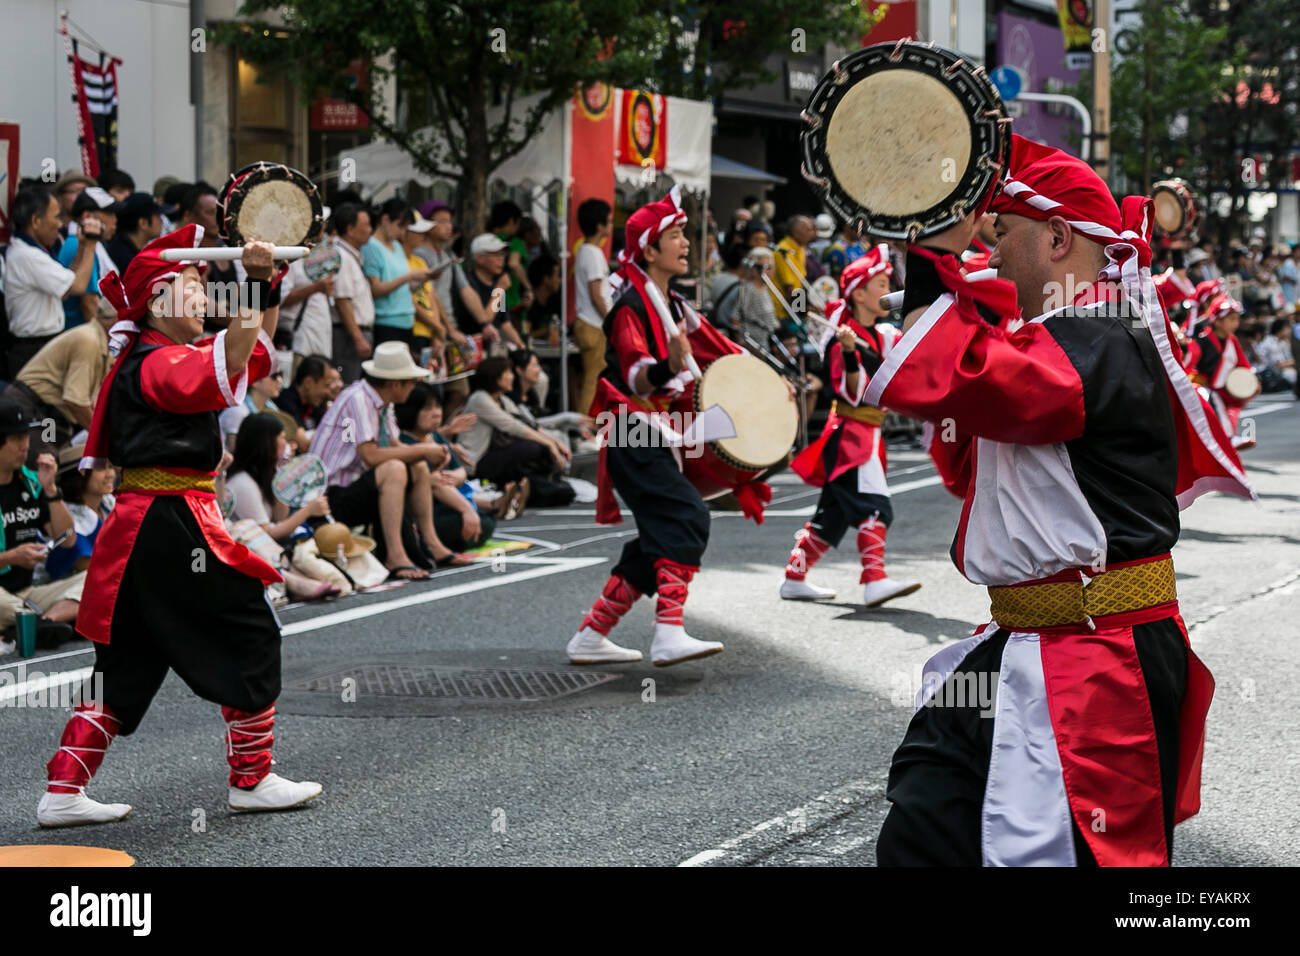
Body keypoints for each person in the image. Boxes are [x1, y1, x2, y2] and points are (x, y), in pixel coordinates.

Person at [867, 135, 1253, 866]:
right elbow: (967, 444)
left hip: (1098, 655)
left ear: (1055, 236)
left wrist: (931, 255)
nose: (990, 250)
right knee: (922, 819)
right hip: (1021, 642)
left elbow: (968, 379)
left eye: (1001, 231)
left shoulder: (1102, 332)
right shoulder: (1052, 338)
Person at [37, 224, 323, 827]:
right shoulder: (154, 363)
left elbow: (255, 348)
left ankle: (62, 791)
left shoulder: (159, 356)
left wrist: (261, 282)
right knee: (249, 623)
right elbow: (238, 354)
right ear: (160, 298)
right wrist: (248, 280)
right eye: (194, 286)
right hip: (167, 522)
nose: (203, 299)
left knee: (127, 664)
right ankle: (251, 778)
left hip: (149, 526)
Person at [568, 187, 779, 667]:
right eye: (677, 235)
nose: (688, 244)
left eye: (685, 234)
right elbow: (638, 374)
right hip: (632, 434)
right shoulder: (631, 308)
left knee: (657, 538)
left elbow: (720, 350)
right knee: (686, 516)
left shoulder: (673, 305)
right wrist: (671, 363)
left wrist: (771, 384)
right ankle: (667, 633)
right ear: (649, 248)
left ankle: (591, 635)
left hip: (655, 434)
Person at [780, 246, 920, 606]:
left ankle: (794, 577)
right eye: (881, 283)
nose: (888, 289)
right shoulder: (840, 340)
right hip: (850, 434)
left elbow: (904, 367)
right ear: (858, 293)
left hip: (867, 434)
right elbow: (852, 393)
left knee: (833, 517)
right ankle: (874, 579)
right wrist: (849, 354)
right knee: (875, 505)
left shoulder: (883, 334)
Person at [310, 340, 469, 579]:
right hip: (330, 496)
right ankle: (395, 555)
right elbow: (371, 456)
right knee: (394, 468)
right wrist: (423, 451)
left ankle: (432, 543)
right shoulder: (358, 399)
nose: (413, 387)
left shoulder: (383, 402)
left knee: (416, 466)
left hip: (354, 486)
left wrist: (427, 451)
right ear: (395, 384)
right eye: (411, 382)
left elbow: (395, 444)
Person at [0, 403, 82, 646]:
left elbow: (67, 539)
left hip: (27, 592)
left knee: (98, 578)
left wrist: (51, 490)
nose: (26, 444)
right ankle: (49, 622)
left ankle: (42, 622)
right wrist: (10, 558)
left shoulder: (32, 482)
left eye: (26, 435)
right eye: (17, 438)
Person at [3, 186, 104, 376]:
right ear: (35, 221)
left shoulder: (32, 251)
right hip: (34, 347)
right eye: (56, 217)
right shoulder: (28, 256)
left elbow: (65, 289)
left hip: (39, 344)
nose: (60, 224)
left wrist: (82, 248)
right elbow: (78, 286)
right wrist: (91, 245)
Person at [3, 304, 114, 462]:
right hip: (33, 407)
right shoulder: (89, 340)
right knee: (47, 464)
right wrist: (104, 438)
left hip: (48, 413)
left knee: (56, 465)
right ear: (115, 321)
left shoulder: (98, 342)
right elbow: (75, 402)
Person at [394, 383, 495, 551]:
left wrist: (458, 477)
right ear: (410, 410)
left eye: (438, 406)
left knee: (486, 521)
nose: (436, 413)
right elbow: (436, 482)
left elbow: (460, 469)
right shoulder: (405, 442)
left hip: (450, 501)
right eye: (427, 408)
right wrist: (466, 509)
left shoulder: (436, 438)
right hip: (425, 511)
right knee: (463, 522)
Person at [460, 357, 569, 498]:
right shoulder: (480, 399)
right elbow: (513, 426)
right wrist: (549, 443)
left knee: (538, 447)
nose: (512, 377)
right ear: (496, 377)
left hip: (492, 455)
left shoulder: (503, 400)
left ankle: (526, 486)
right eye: (508, 373)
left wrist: (556, 443)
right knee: (531, 447)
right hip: (474, 463)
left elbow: (528, 423)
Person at [1193, 293, 1259, 448]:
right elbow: (1189, 366)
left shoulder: (1232, 340)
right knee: (1214, 398)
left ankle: (1228, 439)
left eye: (1236, 319)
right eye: (1231, 319)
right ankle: (1229, 439)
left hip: (1223, 388)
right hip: (1203, 388)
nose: (1236, 323)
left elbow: (1243, 365)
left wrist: (1250, 381)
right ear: (1217, 321)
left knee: (1230, 408)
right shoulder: (1201, 341)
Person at [364, 199, 428, 348]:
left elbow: (402, 287)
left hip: (407, 320)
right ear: (385, 219)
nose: (402, 232)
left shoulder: (397, 247)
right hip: (386, 323)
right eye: (400, 226)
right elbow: (375, 289)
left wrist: (422, 279)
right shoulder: (371, 247)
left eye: (406, 228)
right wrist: (409, 276)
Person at [46, 446, 115, 581]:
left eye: (110, 466)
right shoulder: (66, 514)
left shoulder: (108, 502)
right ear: (80, 476)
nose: (110, 474)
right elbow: (85, 565)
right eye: (101, 468)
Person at [57, 187, 122, 329]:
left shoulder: (89, 243)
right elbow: (89, 303)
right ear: (87, 216)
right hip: (82, 335)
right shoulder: (79, 244)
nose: (115, 220)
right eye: (109, 213)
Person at [574, 198, 613, 414]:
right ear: (599, 225)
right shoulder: (594, 253)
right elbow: (597, 294)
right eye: (608, 220)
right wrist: (611, 320)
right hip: (594, 325)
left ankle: (585, 424)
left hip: (586, 322)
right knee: (594, 378)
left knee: (590, 377)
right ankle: (586, 426)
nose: (610, 225)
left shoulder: (584, 250)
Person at [331, 202, 377, 382]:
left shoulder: (352, 256)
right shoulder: (341, 256)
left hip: (356, 334)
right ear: (350, 229)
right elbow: (342, 300)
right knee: (347, 384)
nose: (370, 230)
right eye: (366, 225)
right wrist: (357, 338)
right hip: (348, 336)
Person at [488, 200, 534, 317]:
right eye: (517, 224)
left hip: (488, 303)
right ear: (511, 221)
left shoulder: (484, 241)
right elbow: (514, 264)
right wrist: (528, 288)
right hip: (510, 303)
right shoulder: (516, 242)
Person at [103, 192, 164, 274]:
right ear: (143, 223)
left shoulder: (126, 249)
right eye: (157, 216)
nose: (161, 221)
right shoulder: (125, 259)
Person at [276, 354, 336, 434]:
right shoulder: (285, 403)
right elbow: (303, 442)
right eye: (326, 385)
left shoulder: (312, 405)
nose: (328, 392)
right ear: (308, 382)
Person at [772, 214, 815, 313]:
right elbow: (789, 288)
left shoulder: (800, 248)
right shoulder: (784, 250)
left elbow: (800, 282)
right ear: (795, 233)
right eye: (808, 230)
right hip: (783, 312)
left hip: (795, 306)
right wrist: (803, 311)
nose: (811, 233)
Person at [1256, 316, 1297, 389]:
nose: (1289, 331)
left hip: (1283, 370)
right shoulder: (1268, 342)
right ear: (1280, 329)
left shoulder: (1283, 342)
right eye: (1287, 328)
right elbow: (1275, 364)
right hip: (1269, 372)